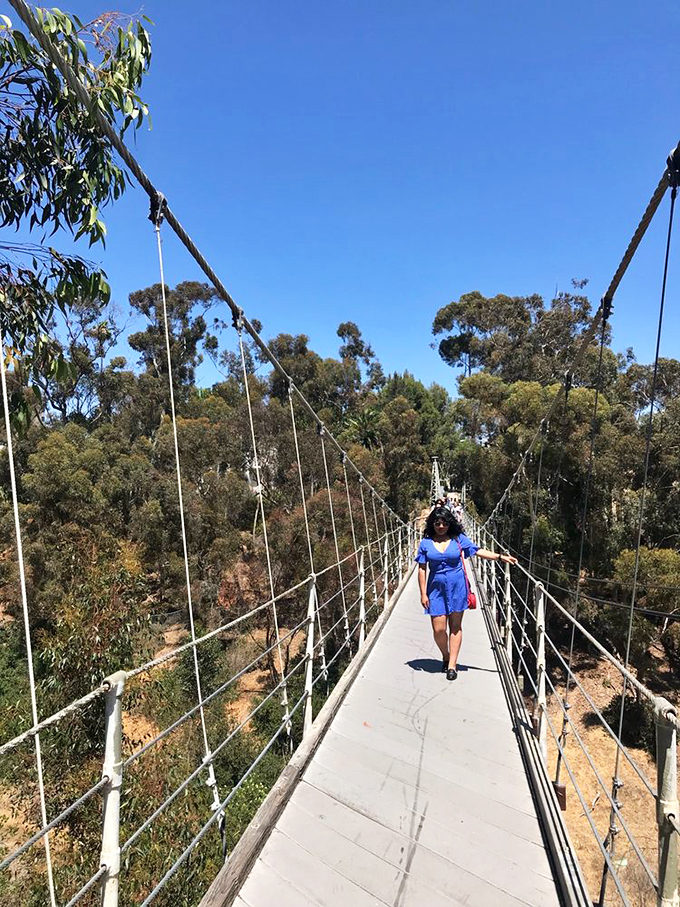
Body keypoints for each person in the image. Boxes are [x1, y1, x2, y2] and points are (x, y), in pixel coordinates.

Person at [415, 507, 517, 681]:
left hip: (458, 588)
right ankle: (446, 655)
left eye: (444, 523)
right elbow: (422, 569)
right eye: (437, 523)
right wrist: (423, 593)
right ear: (432, 524)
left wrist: (500, 557)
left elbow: (477, 551)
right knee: (439, 630)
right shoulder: (426, 543)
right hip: (435, 590)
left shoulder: (458, 539)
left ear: (449, 523)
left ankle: (452, 665)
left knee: (455, 626)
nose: (441, 526)